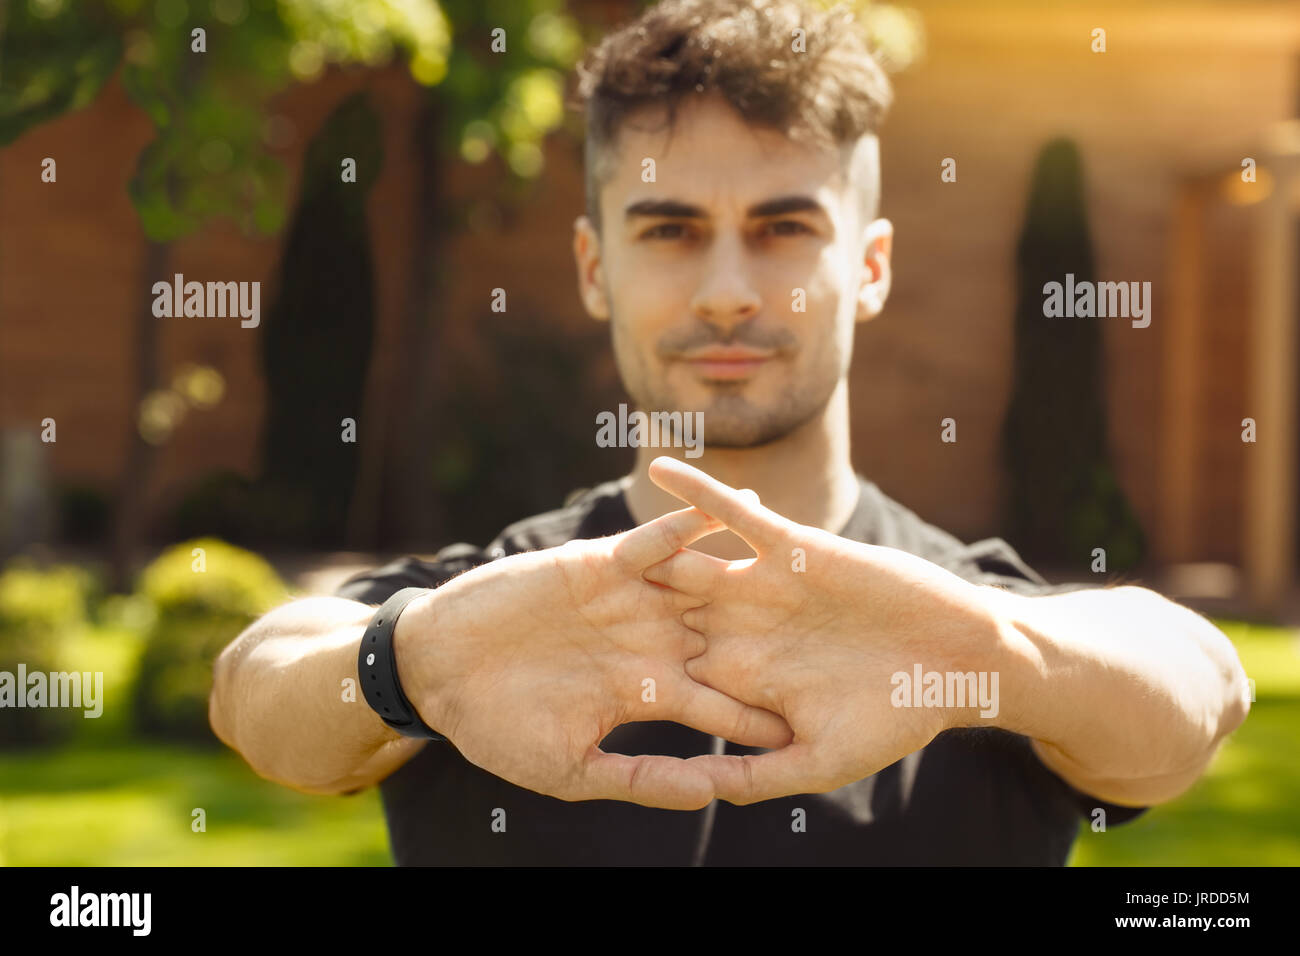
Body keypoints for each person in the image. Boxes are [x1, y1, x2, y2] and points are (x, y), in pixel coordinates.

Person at [209, 0, 1250, 865]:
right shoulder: (489, 618)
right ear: (591, 265)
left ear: (871, 266)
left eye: (782, 227)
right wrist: (413, 663)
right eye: (669, 230)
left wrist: (988, 652)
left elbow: (1200, 688)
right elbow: (257, 689)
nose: (723, 292)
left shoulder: (964, 631)